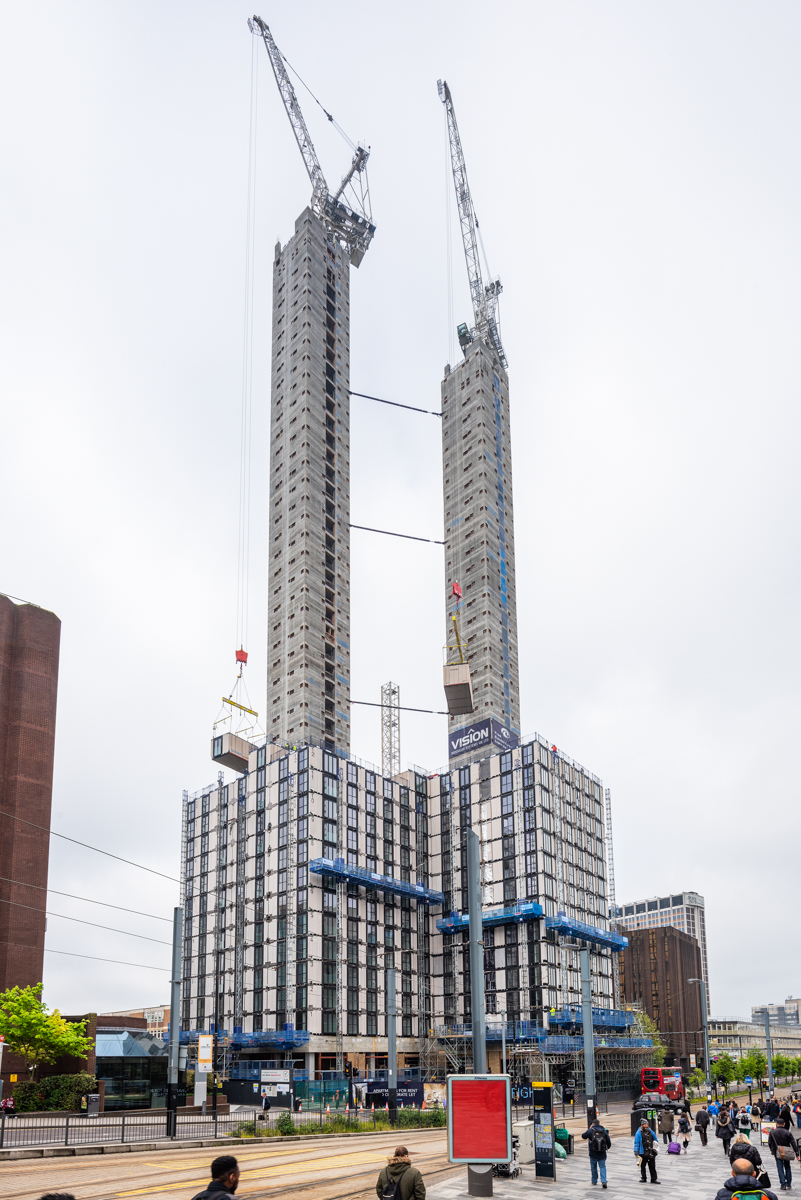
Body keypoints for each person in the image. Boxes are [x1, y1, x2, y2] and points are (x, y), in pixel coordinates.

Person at [768, 1118, 799, 1192]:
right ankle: (788, 1182)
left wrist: (773, 1151)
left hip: (777, 1151)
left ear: (776, 1124)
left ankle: (783, 1184)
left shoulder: (772, 1132)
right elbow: (793, 1143)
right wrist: (797, 1153)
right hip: (786, 1152)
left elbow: (770, 1142)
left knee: (780, 1168)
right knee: (787, 1166)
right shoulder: (787, 1132)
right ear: (784, 1124)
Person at [581, 1117, 611, 1188]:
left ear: (592, 1124)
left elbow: (583, 1136)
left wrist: (589, 1128)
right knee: (602, 1166)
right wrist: (606, 1148)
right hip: (602, 1153)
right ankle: (603, 1181)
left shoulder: (591, 1130)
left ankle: (594, 1180)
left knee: (593, 1167)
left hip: (593, 1153)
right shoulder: (603, 1130)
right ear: (599, 1124)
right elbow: (608, 1142)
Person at [634, 1118, 660, 1184]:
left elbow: (655, 1139)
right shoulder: (638, 1133)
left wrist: (655, 1145)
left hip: (651, 1152)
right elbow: (636, 1142)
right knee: (643, 1166)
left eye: (647, 1124)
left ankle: (653, 1179)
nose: (647, 1125)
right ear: (642, 1125)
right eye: (645, 1124)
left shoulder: (650, 1131)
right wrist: (635, 1150)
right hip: (643, 1152)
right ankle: (643, 1178)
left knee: (652, 1166)